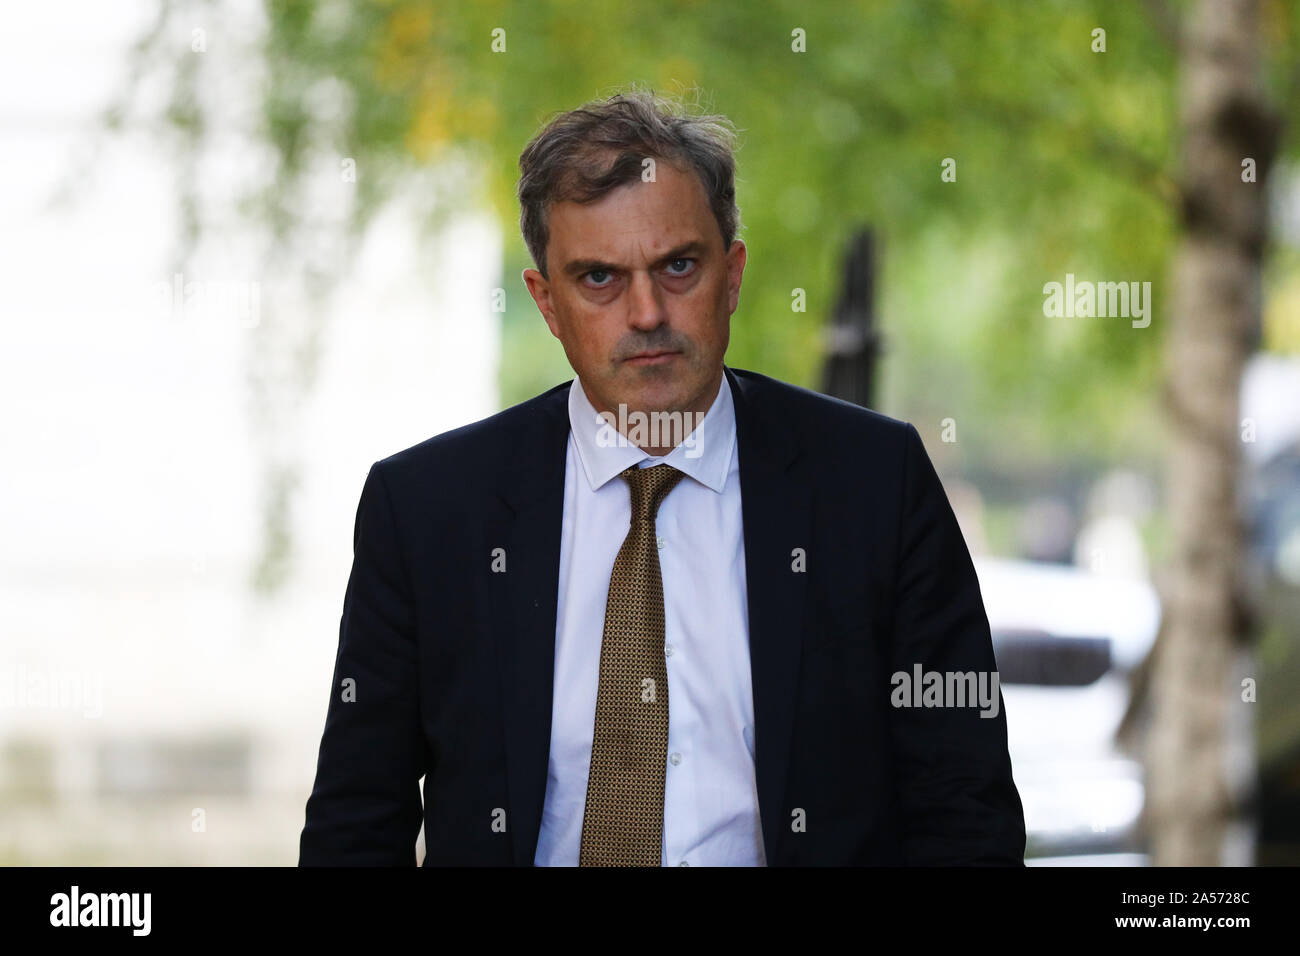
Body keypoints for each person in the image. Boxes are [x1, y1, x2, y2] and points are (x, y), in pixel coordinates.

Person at [299, 87, 1025, 866]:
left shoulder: (875, 485)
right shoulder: (429, 511)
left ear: (733, 273)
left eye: (678, 266)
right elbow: (356, 826)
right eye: (600, 279)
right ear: (546, 301)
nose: (646, 312)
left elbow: (964, 811)